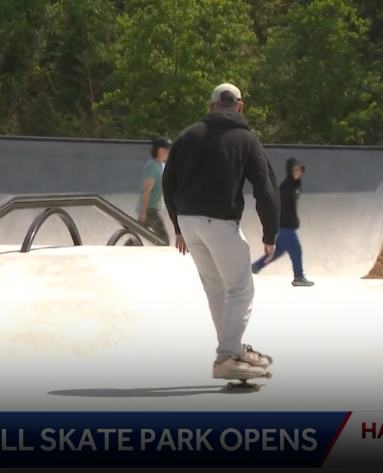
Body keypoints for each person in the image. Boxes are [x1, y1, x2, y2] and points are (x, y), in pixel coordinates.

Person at [161, 82, 281, 380]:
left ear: (211, 105)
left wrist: (177, 226)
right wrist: (270, 232)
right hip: (219, 222)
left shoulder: (187, 135)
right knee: (241, 289)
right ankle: (227, 355)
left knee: (215, 289)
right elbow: (265, 188)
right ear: (240, 106)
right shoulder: (246, 139)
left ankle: (232, 348)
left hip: (189, 223)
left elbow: (168, 182)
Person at [251, 158, 314, 287]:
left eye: (299, 170)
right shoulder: (287, 186)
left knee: (277, 251)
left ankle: (255, 267)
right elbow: (280, 206)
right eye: (295, 170)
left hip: (287, 224)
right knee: (296, 250)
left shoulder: (296, 184)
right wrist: (288, 220)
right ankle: (298, 276)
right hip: (285, 224)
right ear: (290, 171)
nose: (297, 173)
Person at [130, 136, 172, 246]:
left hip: (153, 208)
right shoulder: (151, 166)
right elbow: (147, 190)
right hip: (150, 210)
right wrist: (143, 211)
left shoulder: (161, 166)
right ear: (158, 150)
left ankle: (127, 246)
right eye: (166, 150)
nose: (168, 152)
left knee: (137, 233)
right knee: (164, 240)